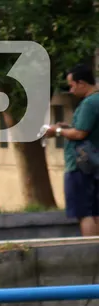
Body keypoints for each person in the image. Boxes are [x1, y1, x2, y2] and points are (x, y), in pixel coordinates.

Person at [49, 64, 99, 237]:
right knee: (95, 211)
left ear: (82, 83)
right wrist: (68, 127)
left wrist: (56, 131)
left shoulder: (89, 103)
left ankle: (90, 250)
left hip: (81, 165)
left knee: (84, 213)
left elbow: (79, 133)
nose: (70, 90)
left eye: (72, 85)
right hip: (94, 165)